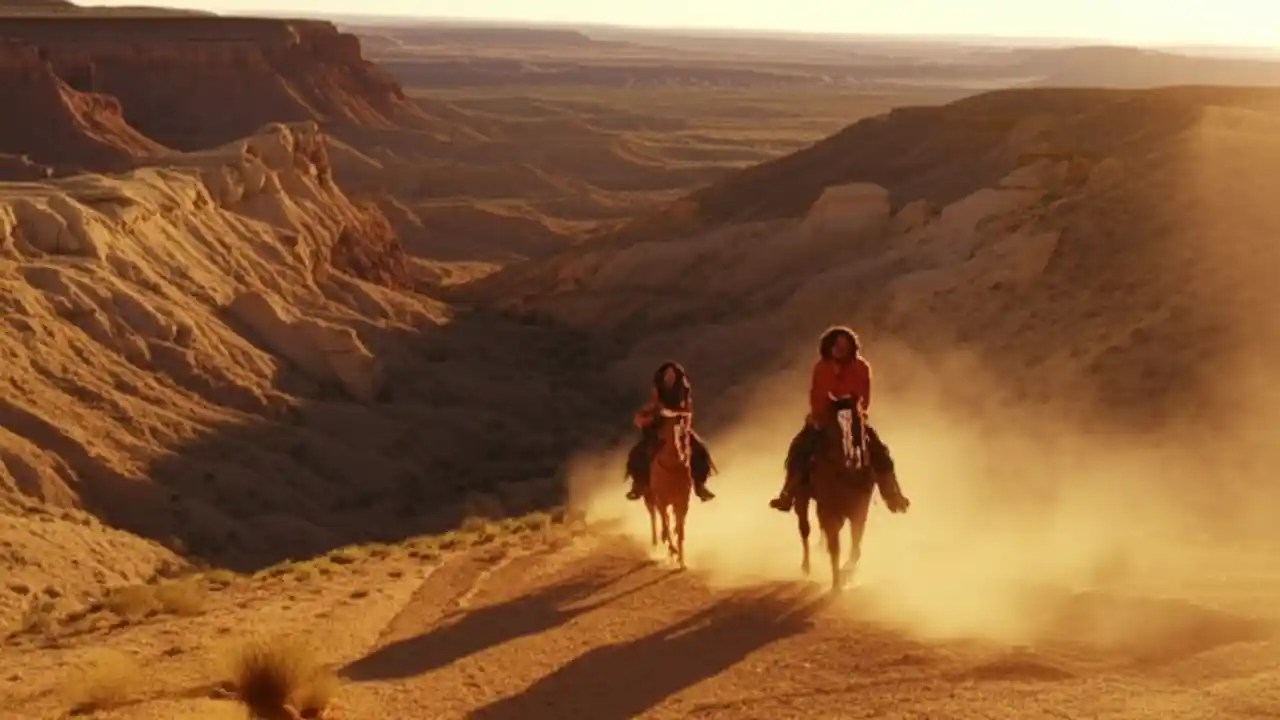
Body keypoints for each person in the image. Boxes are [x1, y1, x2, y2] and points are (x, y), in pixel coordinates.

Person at [768, 327, 909, 513]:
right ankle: (788, 493)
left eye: (845, 345)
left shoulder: (861, 367)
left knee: (879, 451)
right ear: (829, 347)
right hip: (824, 417)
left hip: (853, 415)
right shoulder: (821, 368)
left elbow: (864, 396)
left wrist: (856, 410)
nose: (840, 349)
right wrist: (819, 415)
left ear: (852, 347)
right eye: (837, 345)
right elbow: (816, 393)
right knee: (798, 447)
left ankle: (892, 494)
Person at [625, 362, 716, 502]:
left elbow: (688, 410)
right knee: (637, 452)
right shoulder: (658, 389)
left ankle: (699, 484)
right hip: (658, 427)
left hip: (680, 427)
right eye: (667, 375)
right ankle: (639, 483)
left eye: (672, 375)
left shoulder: (684, 391)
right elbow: (652, 407)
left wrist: (673, 415)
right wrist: (650, 416)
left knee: (700, 450)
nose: (669, 378)